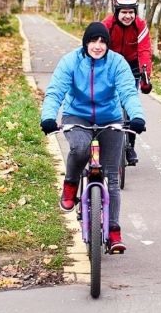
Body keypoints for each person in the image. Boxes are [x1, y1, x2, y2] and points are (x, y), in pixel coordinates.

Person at [40, 22, 146, 253]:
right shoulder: (71, 62)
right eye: (93, 41)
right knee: (79, 147)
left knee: (112, 177)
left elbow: (128, 92)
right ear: (85, 42)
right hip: (77, 115)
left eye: (102, 42)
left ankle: (114, 230)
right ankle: (70, 184)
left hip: (110, 118)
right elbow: (56, 91)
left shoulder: (117, 63)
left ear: (107, 44)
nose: (98, 46)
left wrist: (137, 117)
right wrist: (48, 118)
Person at [102, 0, 153, 166]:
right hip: (110, 66)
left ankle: (130, 147)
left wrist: (146, 77)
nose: (128, 16)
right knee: (108, 103)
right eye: (124, 12)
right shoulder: (107, 25)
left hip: (132, 67)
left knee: (130, 106)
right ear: (116, 12)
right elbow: (98, 49)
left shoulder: (140, 25)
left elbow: (144, 51)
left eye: (131, 12)